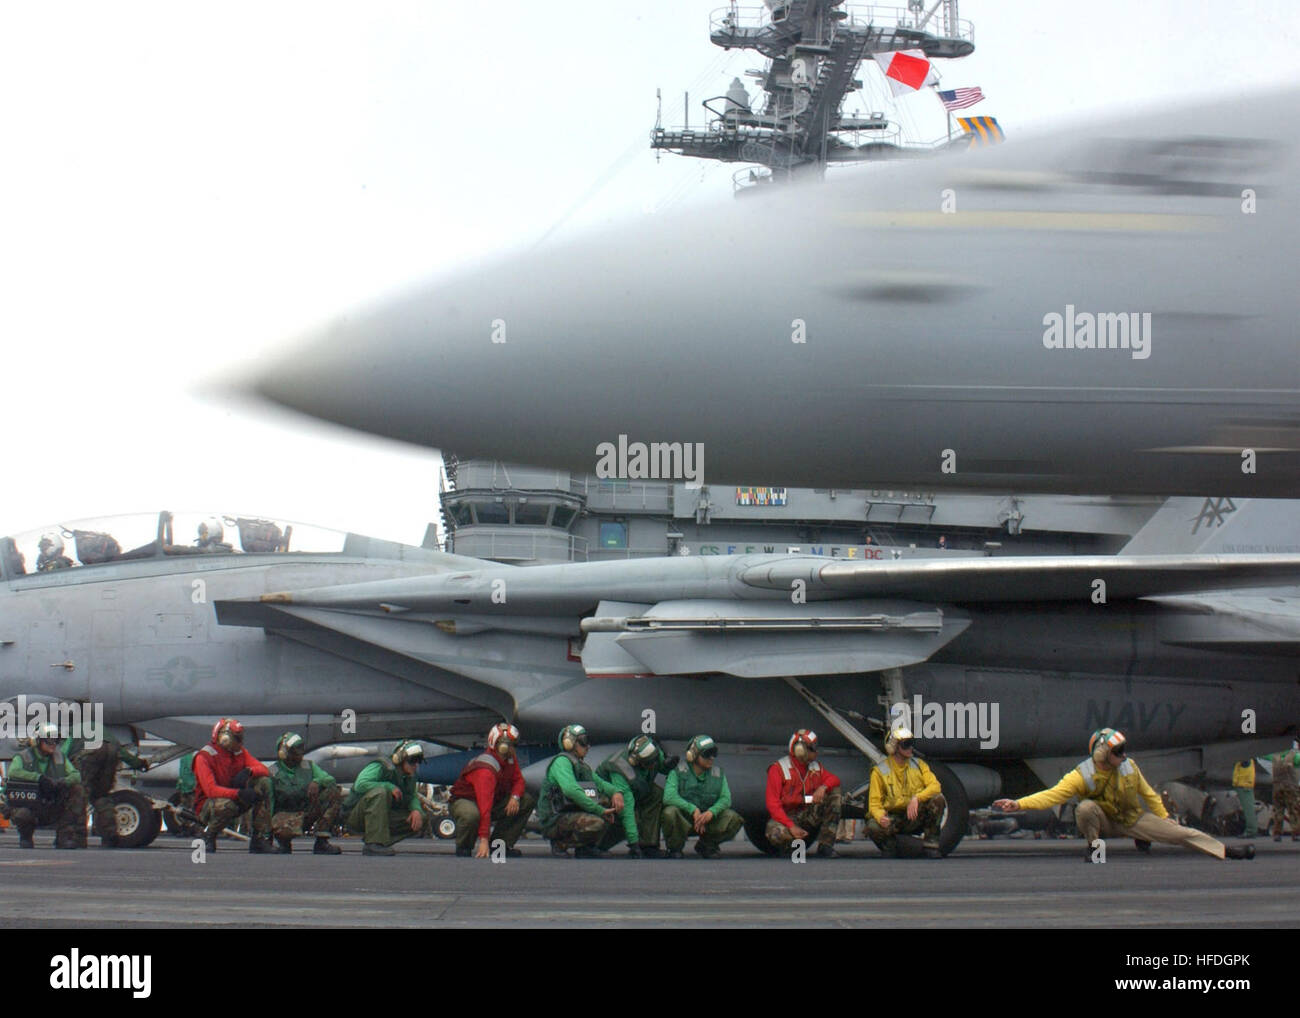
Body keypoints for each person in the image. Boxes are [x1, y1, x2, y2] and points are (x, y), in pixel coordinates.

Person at [994, 728, 1253, 861]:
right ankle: (1095, 848)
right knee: (1084, 809)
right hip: (1104, 822)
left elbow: (1149, 794)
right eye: (1118, 750)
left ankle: (1226, 852)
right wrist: (1018, 804)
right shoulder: (1081, 774)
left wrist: (1165, 817)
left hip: (1133, 819)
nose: (1124, 755)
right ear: (1102, 753)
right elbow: (1052, 796)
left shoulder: (1129, 766)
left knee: (1182, 834)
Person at [448, 722, 535, 858]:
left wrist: (515, 797)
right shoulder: (485, 770)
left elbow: (518, 780)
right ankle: (464, 846)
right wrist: (483, 839)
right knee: (471, 815)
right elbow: (485, 806)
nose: (515, 749)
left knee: (526, 801)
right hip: (467, 800)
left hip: (492, 799)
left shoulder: (509, 759)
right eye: (512, 745)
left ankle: (499, 845)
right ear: (503, 747)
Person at [193, 717, 279, 854]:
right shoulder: (204, 757)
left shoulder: (239, 753)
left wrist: (249, 771)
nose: (241, 742)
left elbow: (264, 770)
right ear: (225, 738)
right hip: (208, 806)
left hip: (232, 798)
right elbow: (211, 790)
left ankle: (259, 838)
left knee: (264, 783)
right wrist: (239, 793)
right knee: (227, 805)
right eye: (238, 738)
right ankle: (207, 835)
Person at [536, 724, 620, 857]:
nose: (588, 746)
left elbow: (600, 784)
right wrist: (599, 810)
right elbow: (571, 790)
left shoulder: (580, 765)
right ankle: (560, 844)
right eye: (584, 742)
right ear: (570, 744)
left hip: (569, 809)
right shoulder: (562, 763)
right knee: (596, 822)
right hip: (554, 818)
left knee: (608, 801)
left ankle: (586, 847)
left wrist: (616, 792)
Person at [62, 723, 150, 848]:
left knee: (79, 796)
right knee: (101, 796)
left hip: (90, 754)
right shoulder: (103, 730)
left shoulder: (74, 731)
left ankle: (78, 837)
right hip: (111, 752)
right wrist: (139, 763)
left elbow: (62, 753)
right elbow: (122, 753)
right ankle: (110, 835)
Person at [4, 723, 87, 848]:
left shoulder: (60, 757)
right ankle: (25, 836)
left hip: (52, 804)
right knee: (22, 814)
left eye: (56, 741)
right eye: (49, 741)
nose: (53, 744)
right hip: (31, 804)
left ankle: (63, 837)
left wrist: (61, 782)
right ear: (38, 741)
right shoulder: (23, 757)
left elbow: (76, 775)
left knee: (77, 790)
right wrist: (38, 778)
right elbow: (13, 772)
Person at [867, 726, 946, 858]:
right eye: (906, 744)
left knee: (938, 799)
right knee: (872, 825)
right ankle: (890, 848)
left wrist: (917, 798)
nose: (910, 748)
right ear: (895, 747)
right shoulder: (879, 772)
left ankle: (931, 846)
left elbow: (935, 786)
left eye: (911, 744)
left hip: (915, 815)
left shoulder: (919, 765)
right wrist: (881, 817)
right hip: (894, 817)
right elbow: (874, 804)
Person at [661, 735, 744, 859]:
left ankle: (707, 845)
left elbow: (726, 799)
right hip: (685, 819)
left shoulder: (718, 774)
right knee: (670, 813)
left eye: (713, 754)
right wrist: (692, 809)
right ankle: (675, 847)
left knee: (733, 818)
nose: (711, 758)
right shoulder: (677, 772)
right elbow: (669, 797)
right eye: (706, 754)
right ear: (693, 756)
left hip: (707, 820)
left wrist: (712, 812)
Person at [596, 734, 677, 857]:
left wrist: (667, 765)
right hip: (611, 798)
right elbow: (626, 807)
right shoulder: (620, 770)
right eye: (648, 764)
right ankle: (596, 845)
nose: (652, 766)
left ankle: (648, 845)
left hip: (637, 789)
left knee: (656, 794)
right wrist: (633, 844)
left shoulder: (654, 753)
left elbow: (660, 765)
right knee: (622, 814)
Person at [764, 729, 843, 858]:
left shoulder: (815, 767)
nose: (816, 752)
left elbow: (835, 779)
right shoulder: (778, 769)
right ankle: (790, 846)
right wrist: (791, 826)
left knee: (834, 793)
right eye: (813, 749)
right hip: (785, 817)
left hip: (805, 815)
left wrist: (823, 787)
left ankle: (825, 846)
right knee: (777, 833)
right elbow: (773, 805)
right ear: (801, 751)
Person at [343, 739, 428, 856]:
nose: (416, 765)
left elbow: (412, 796)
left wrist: (416, 810)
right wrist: (388, 786)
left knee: (420, 818)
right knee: (381, 792)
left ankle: (381, 842)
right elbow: (360, 784)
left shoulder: (410, 777)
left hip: (381, 816)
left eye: (418, 761)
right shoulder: (381, 766)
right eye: (412, 761)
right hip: (356, 815)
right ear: (400, 759)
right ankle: (373, 843)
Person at [269, 732, 343, 854]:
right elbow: (268, 803)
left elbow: (330, 780)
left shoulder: (308, 766)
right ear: (285, 752)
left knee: (333, 791)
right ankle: (283, 842)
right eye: (296, 750)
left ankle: (321, 842)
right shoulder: (272, 771)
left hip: (305, 812)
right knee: (284, 832)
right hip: (284, 814)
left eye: (301, 749)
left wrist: (317, 781)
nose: (301, 754)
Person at [1267, 745, 1300, 842]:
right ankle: (1296, 833)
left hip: (1277, 787)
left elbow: (1263, 756)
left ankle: (1277, 834)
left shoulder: (1274, 755)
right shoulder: (1295, 756)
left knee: (1278, 811)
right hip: (1290, 787)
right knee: (1293, 811)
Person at [1232, 758, 1258, 837]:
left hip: (1244, 786)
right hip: (1244, 785)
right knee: (1248, 810)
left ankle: (1251, 831)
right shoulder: (1246, 758)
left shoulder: (1245, 758)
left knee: (1248, 810)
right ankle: (1251, 830)